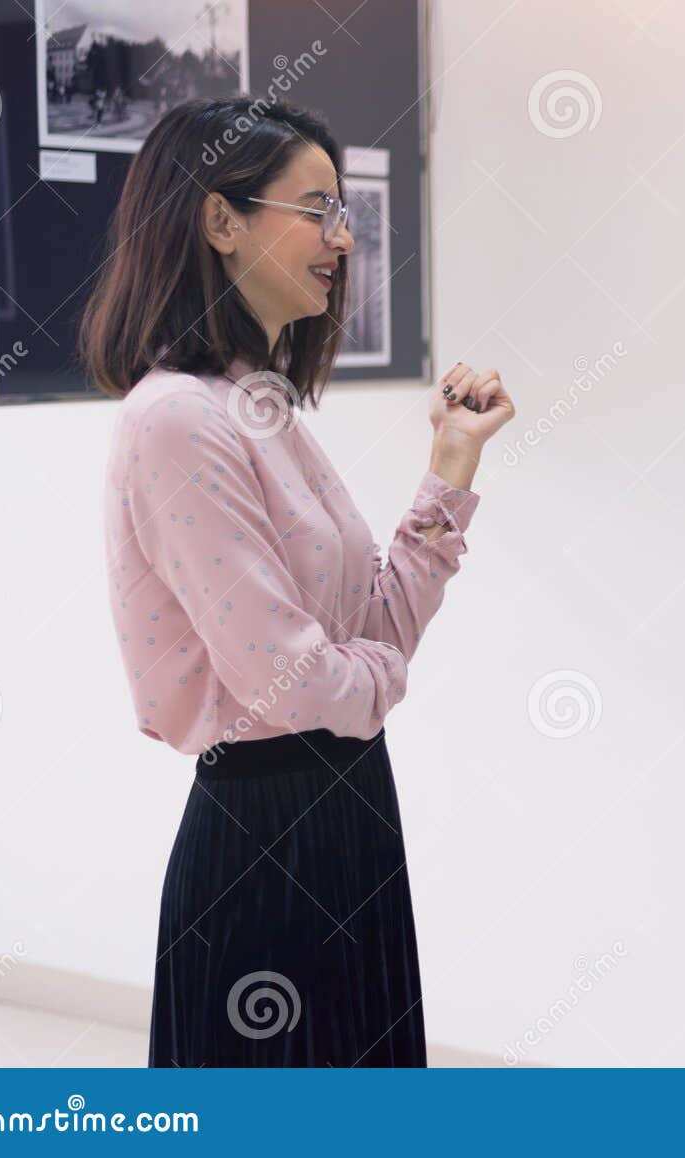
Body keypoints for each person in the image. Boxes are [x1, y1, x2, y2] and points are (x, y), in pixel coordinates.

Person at [83, 97, 514, 1066]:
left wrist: (450, 461)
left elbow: (373, 629)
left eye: (342, 209)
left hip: (349, 816)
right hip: (267, 846)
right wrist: (370, 678)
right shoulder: (176, 419)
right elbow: (293, 680)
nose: (342, 235)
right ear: (220, 219)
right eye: (315, 208)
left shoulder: (256, 405)